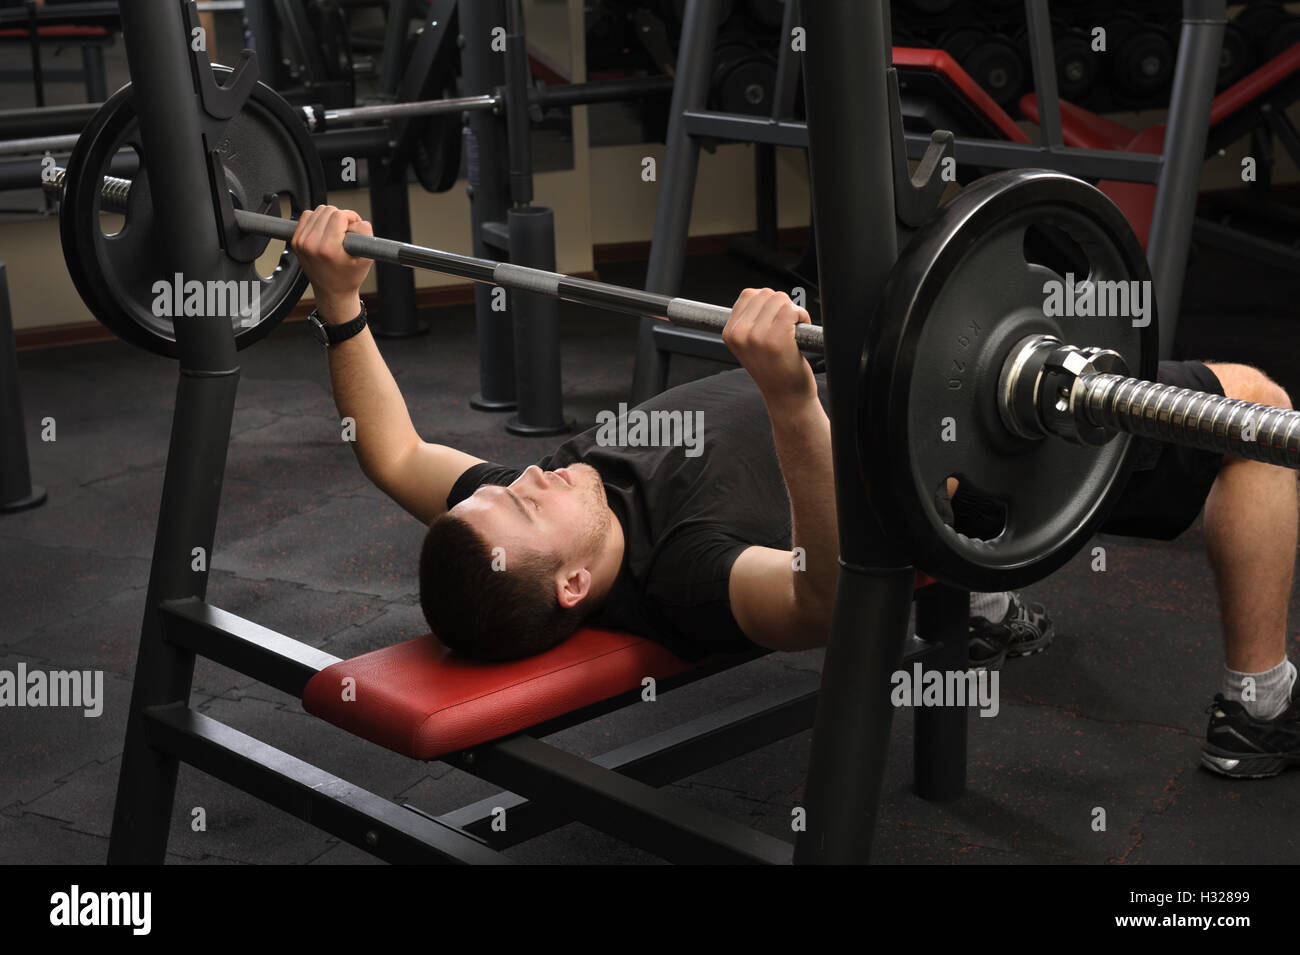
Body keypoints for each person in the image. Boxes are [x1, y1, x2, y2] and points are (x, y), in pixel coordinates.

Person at [290, 204, 1299, 779]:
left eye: (499, 488)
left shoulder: (526, 528)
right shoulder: (684, 572)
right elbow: (824, 600)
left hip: (893, 382)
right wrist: (788, 401)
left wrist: (337, 300)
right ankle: (1256, 703)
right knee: (1256, 412)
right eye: (523, 503)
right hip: (961, 433)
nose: (526, 476)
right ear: (568, 589)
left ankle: (978, 588)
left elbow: (390, 452)